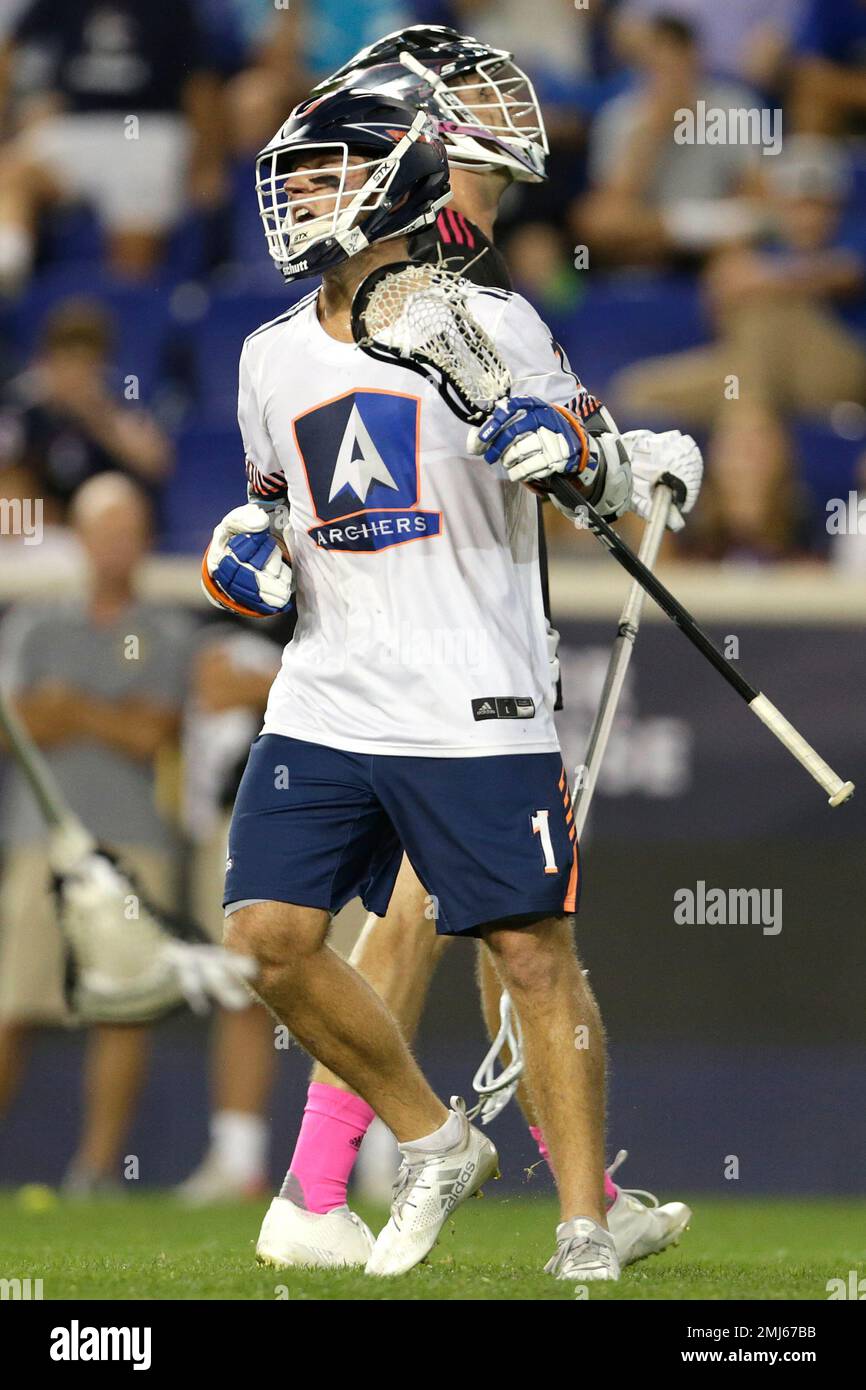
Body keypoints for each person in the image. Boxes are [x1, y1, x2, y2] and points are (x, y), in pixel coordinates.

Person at [203, 83, 697, 1282]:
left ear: (389, 185)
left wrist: (576, 454)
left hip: (473, 695)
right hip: (325, 694)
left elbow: (590, 471)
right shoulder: (266, 355)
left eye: (323, 175)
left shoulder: (494, 322)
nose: (297, 197)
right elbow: (274, 505)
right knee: (266, 938)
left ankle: (584, 1225)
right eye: (294, 177)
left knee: (528, 954)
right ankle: (433, 1138)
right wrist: (250, 547)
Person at [0, 473, 193, 1192]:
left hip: (133, 842)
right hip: (41, 841)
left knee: (123, 1011)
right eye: (103, 530)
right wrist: (108, 715)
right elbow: (14, 727)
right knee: (14, 1004)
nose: (115, 545)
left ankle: (96, 1171)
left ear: (145, 540)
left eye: (128, 531)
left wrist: (67, 708)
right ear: (79, 538)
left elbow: (152, 734)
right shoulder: (35, 622)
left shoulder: (168, 630)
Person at [614, 135, 866, 557]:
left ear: (836, 207)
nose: (808, 215)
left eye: (819, 204)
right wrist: (740, 274)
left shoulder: (853, 235)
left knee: (766, 312)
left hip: (838, 376)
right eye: (797, 203)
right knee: (636, 392)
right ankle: (754, 498)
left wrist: (763, 278)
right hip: (752, 378)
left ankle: (736, 504)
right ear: (779, 204)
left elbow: (843, 274)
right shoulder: (763, 246)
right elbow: (716, 306)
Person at [0, 0, 227, 288]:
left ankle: (125, 306)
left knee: (134, 252)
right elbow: (11, 46)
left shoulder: (172, 6)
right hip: (77, 125)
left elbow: (200, 82)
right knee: (13, 173)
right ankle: (8, 269)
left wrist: (207, 162)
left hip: (149, 129)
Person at [0, 298, 172, 531]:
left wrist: (98, 417)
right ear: (47, 362)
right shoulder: (26, 409)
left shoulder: (116, 401)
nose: (76, 375)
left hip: (103, 534)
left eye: (86, 364)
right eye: (67, 361)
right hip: (39, 534)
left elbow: (156, 463)